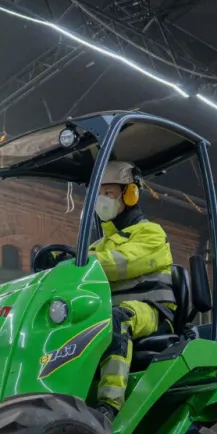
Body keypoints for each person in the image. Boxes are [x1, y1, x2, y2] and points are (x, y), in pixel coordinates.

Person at [89, 161, 175, 417]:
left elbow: (120, 263)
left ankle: (110, 406)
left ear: (130, 194)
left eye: (110, 193)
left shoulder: (150, 233)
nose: (103, 199)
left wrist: (78, 262)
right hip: (105, 310)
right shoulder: (96, 245)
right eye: (100, 193)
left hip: (150, 311)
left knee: (117, 318)